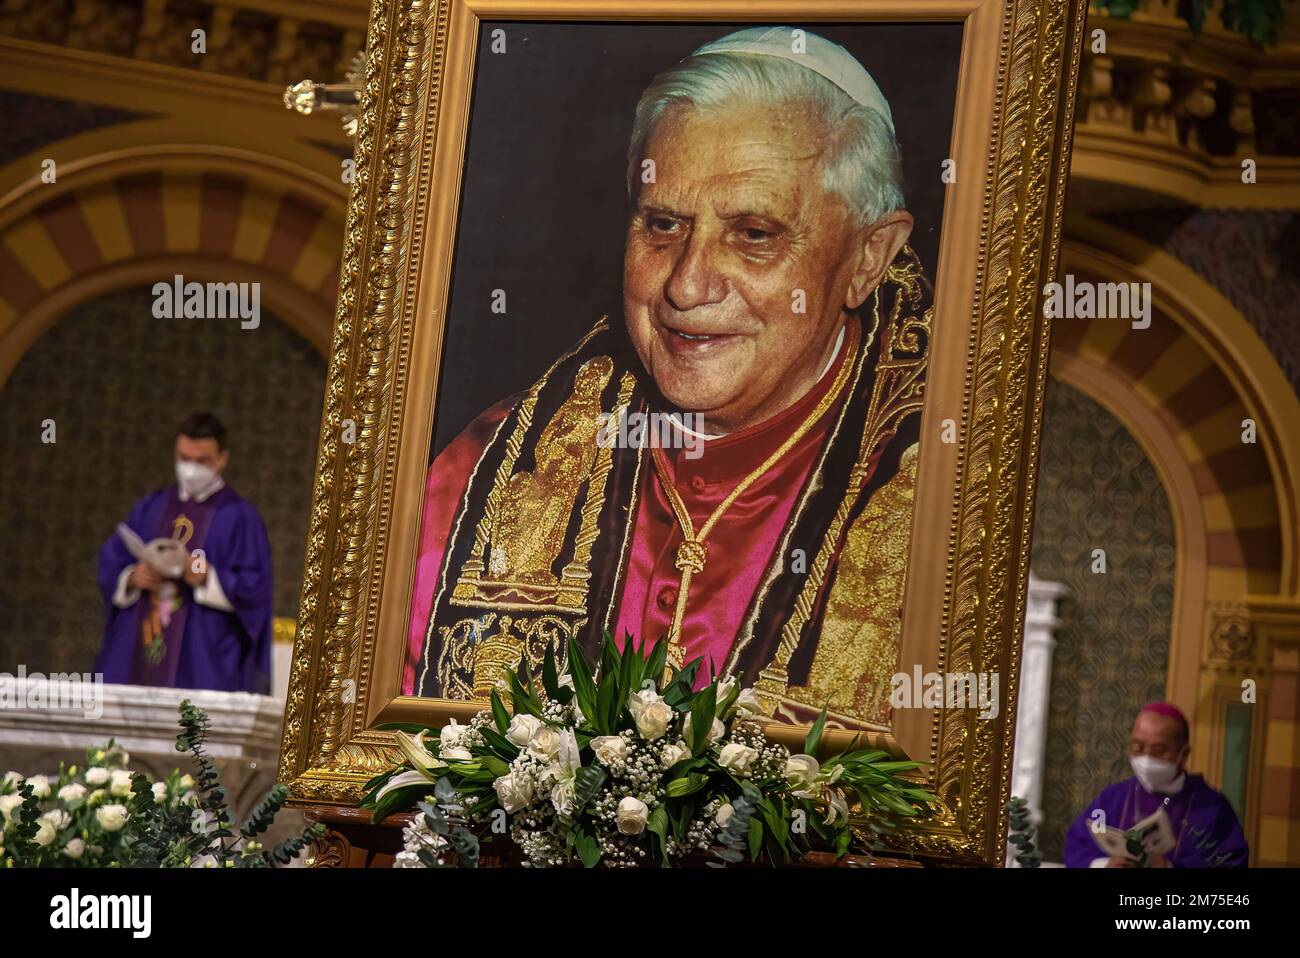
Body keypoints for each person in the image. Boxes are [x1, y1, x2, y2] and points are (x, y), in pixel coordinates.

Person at [405, 27, 933, 730]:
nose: (687, 285)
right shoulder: (486, 469)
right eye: (662, 224)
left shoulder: (942, 509)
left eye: (754, 234)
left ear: (869, 258)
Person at [95, 413, 273, 694]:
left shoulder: (240, 517)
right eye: (183, 458)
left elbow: (256, 589)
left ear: (222, 459)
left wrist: (205, 577)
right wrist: (132, 577)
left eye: (201, 461)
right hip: (137, 650)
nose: (190, 469)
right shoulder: (151, 507)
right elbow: (111, 561)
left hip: (201, 658)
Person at [1063, 702, 1249, 867]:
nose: (1146, 758)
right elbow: (1076, 846)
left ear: (1183, 754)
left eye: (1158, 750)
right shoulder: (1112, 798)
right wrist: (1104, 865)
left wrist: (1168, 866)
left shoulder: (1212, 808)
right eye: (1138, 747)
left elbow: (1230, 862)